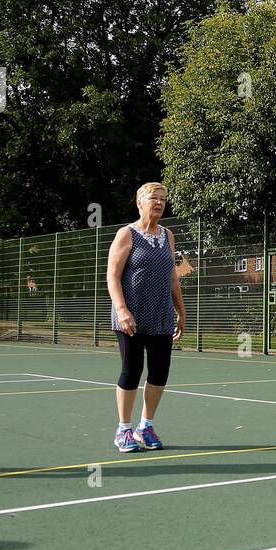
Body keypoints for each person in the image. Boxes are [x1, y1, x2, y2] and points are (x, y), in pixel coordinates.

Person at [106, 182, 186, 452]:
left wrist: (181, 311)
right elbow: (112, 276)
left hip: (160, 316)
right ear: (139, 202)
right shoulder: (126, 234)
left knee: (160, 372)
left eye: (163, 198)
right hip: (131, 316)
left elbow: (173, 278)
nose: (159, 202)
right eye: (153, 198)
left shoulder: (168, 235)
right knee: (132, 371)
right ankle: (123, 430)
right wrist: (122, 310)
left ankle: (145, 426)